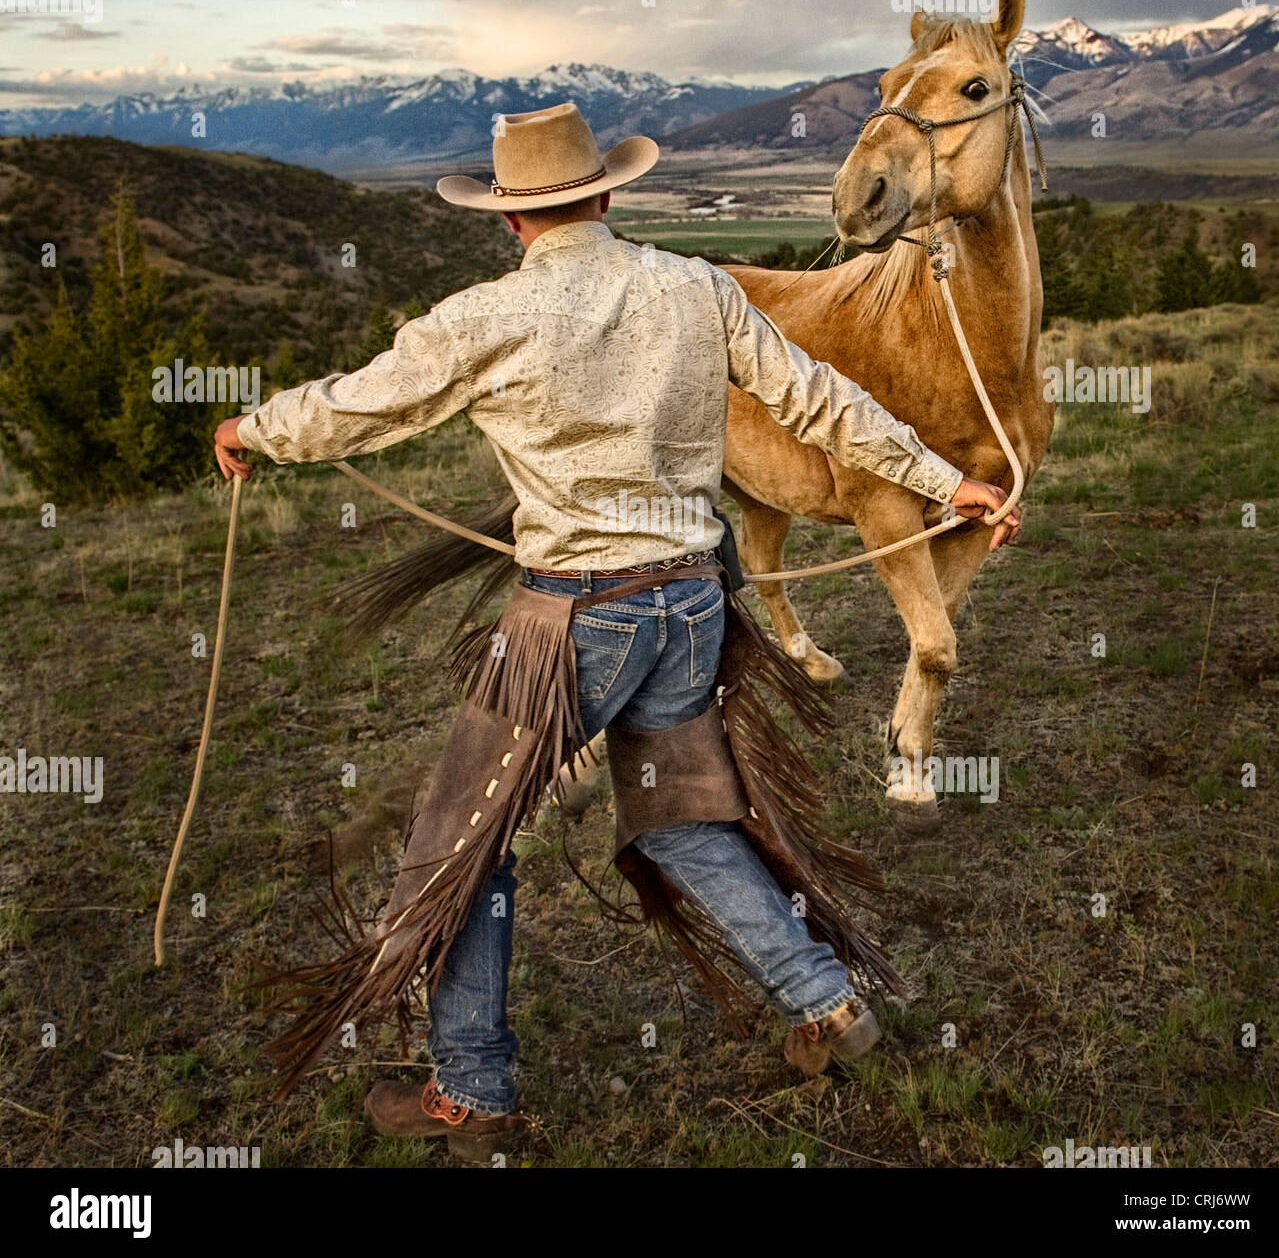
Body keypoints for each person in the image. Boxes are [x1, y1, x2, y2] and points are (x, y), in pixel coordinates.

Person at [214, 102, 1019, 1159]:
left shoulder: (480, 319)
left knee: (458, 847)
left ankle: (472, 1089)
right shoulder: (696, 286)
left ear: (511, 219)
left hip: (569, 620)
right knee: (681, 821)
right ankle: (821, 998)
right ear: (604, 192)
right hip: (690, 603)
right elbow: (822, 401)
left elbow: (358, 407)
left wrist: (250, 429)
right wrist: (943, 481)